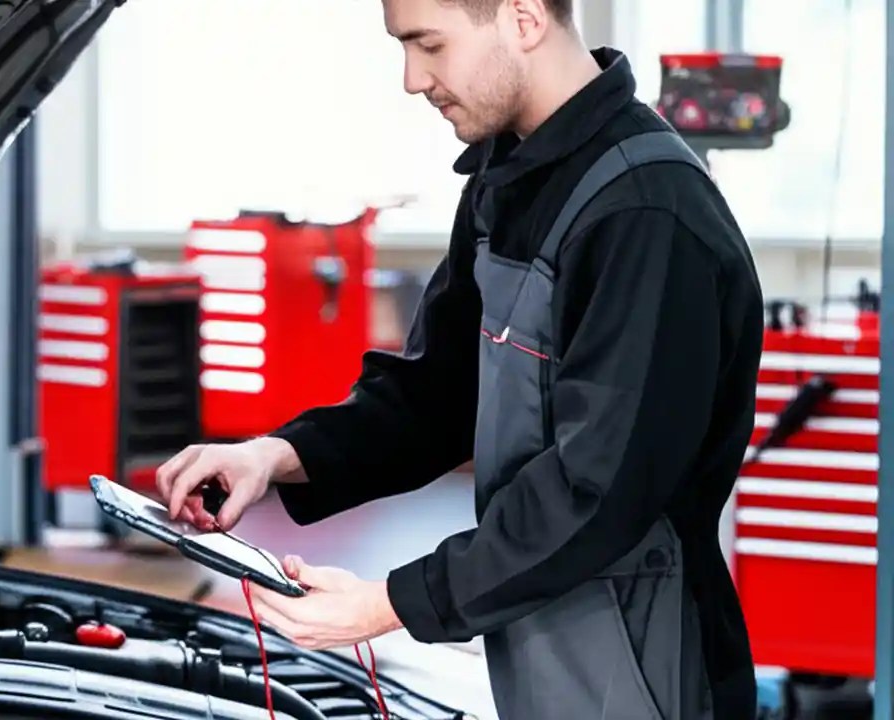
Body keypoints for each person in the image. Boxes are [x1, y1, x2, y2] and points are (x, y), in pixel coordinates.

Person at [156, 0, 762, 718]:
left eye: (430, 45)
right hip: (538, 612)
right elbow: (436, 396)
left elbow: (597, 491)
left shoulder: (646, 213)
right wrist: (275, 455)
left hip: (643, 643)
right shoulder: (506, 181)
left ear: (525, 19)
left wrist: (388, 604)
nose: (413, 79)